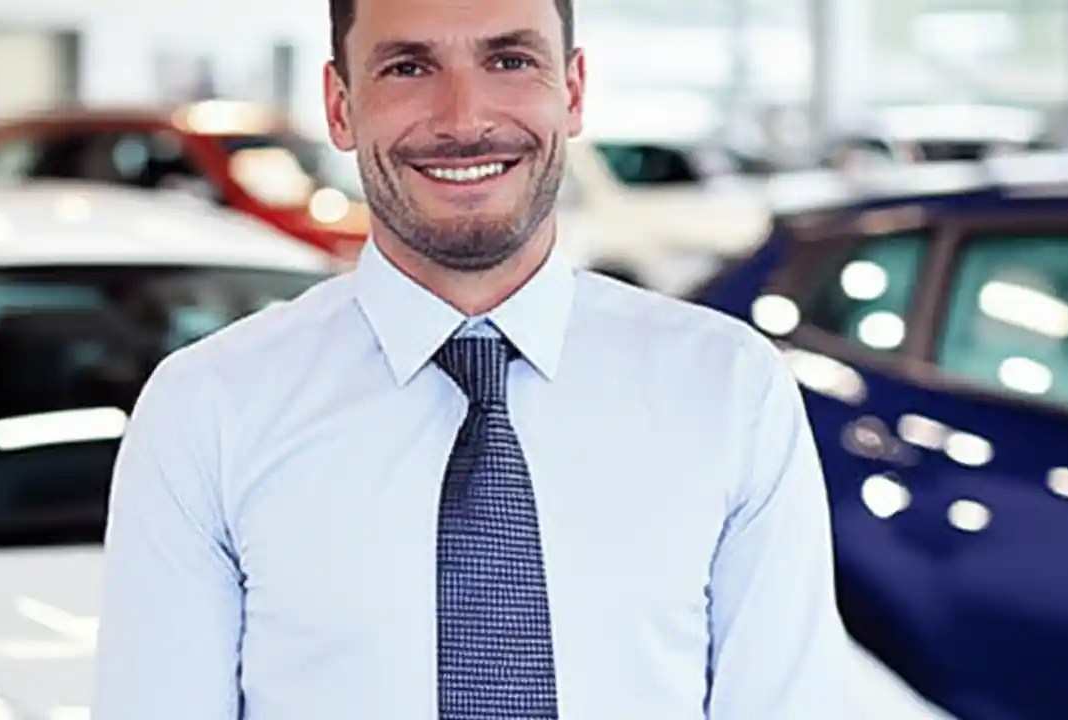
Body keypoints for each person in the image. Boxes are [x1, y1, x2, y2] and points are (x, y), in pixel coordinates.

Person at [92, 0, 850, 717]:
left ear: (574, 89)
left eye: (511, 60)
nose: (465, 120)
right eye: (408, 68)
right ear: (339, 105)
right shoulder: (208, 408)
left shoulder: (727, 391)